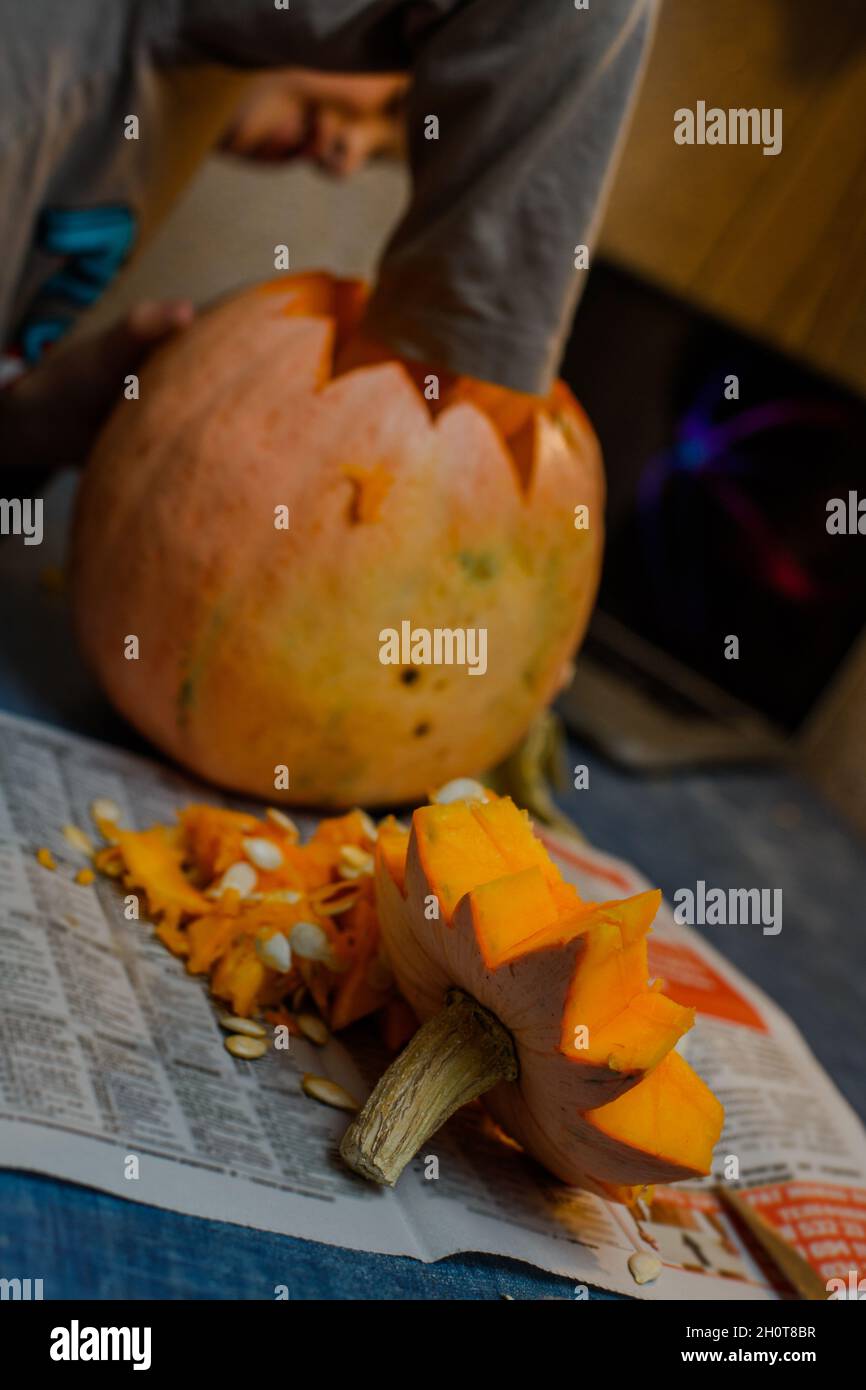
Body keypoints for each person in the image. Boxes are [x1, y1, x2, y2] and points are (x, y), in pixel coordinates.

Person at [0, 0, 657, 475]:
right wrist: (455, 396)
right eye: (391, 106)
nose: (346, 156)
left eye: (379, 154)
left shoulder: (179, 99)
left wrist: (37, 416)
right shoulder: (47, 56)